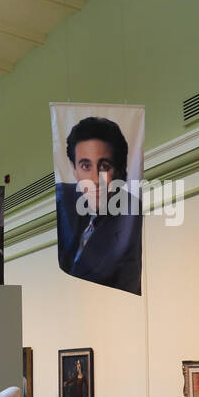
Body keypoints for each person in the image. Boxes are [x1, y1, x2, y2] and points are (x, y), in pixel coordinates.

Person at [55, 116, 141, 295]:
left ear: (118, 169)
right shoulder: (64, 198)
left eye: (104, 166)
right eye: (86, 166)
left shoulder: (132, 220)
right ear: (74, 169)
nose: (95, 179)